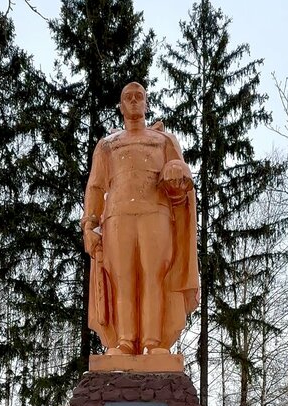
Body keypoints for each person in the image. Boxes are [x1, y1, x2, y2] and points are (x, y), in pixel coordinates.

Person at [81, 82, 199, 356]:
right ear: (121, 106)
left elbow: (181, 175)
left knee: (153, 275)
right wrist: (89, 224)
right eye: (128, 97)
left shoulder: (164, 140)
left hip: (155, 214)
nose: (134, 101)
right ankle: (124, 341)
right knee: (122, 278)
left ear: (146, 103)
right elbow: (96, 187)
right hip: (117, 217)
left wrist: (177, 171)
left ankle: (153, 342)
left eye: (139, 97)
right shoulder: (107, 145)